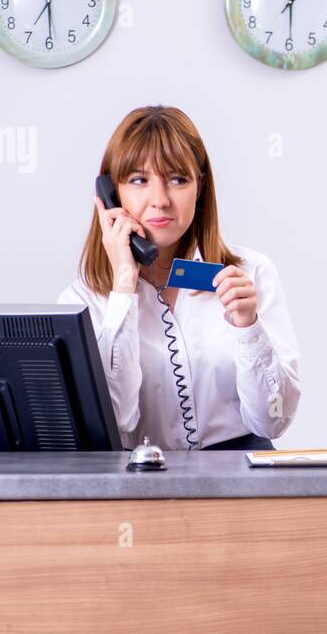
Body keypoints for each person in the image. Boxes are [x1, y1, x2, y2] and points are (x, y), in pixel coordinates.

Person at [59, 106, 300, 452]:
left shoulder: (251, 273)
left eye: (177, 179)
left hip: (241, 484)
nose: (160, 201)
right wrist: (123, 286)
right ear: (111, 194)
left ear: (199, 186)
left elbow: (272, 421)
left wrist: (249, 328)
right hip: (135, 486)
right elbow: (114, 421)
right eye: (139, 180)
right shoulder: (82, 300)